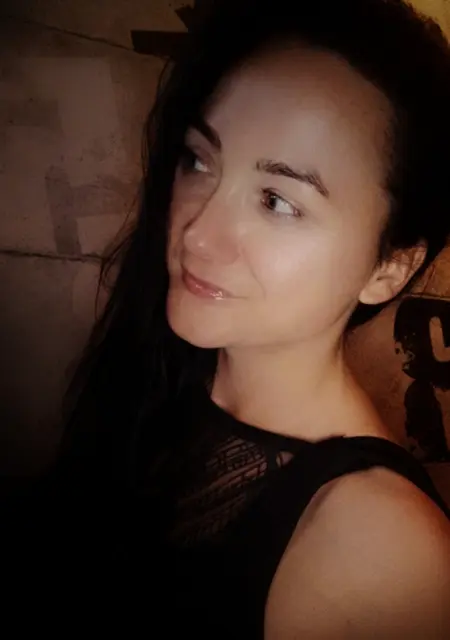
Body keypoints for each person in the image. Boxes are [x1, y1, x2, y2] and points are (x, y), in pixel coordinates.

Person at [9, 0, 450, 637]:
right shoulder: (164, 372)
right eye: (199, 161)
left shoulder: (381, 550)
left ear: (390, 268)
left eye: (278, 201)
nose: (197, 234)